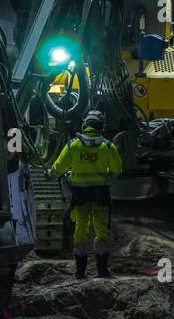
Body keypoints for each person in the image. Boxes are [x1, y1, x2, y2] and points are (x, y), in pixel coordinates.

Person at [49, 109, 122, 278]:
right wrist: (106, 174)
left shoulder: (74, 144)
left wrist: (49, 174)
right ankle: (102, 271)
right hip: (101, 194)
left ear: (85, 125)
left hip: (80, 195)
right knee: (101, 230)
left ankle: (80, 272)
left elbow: (58, 167)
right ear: (101, 126)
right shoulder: (108, 146)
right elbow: (117, 170)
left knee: (80, 230)